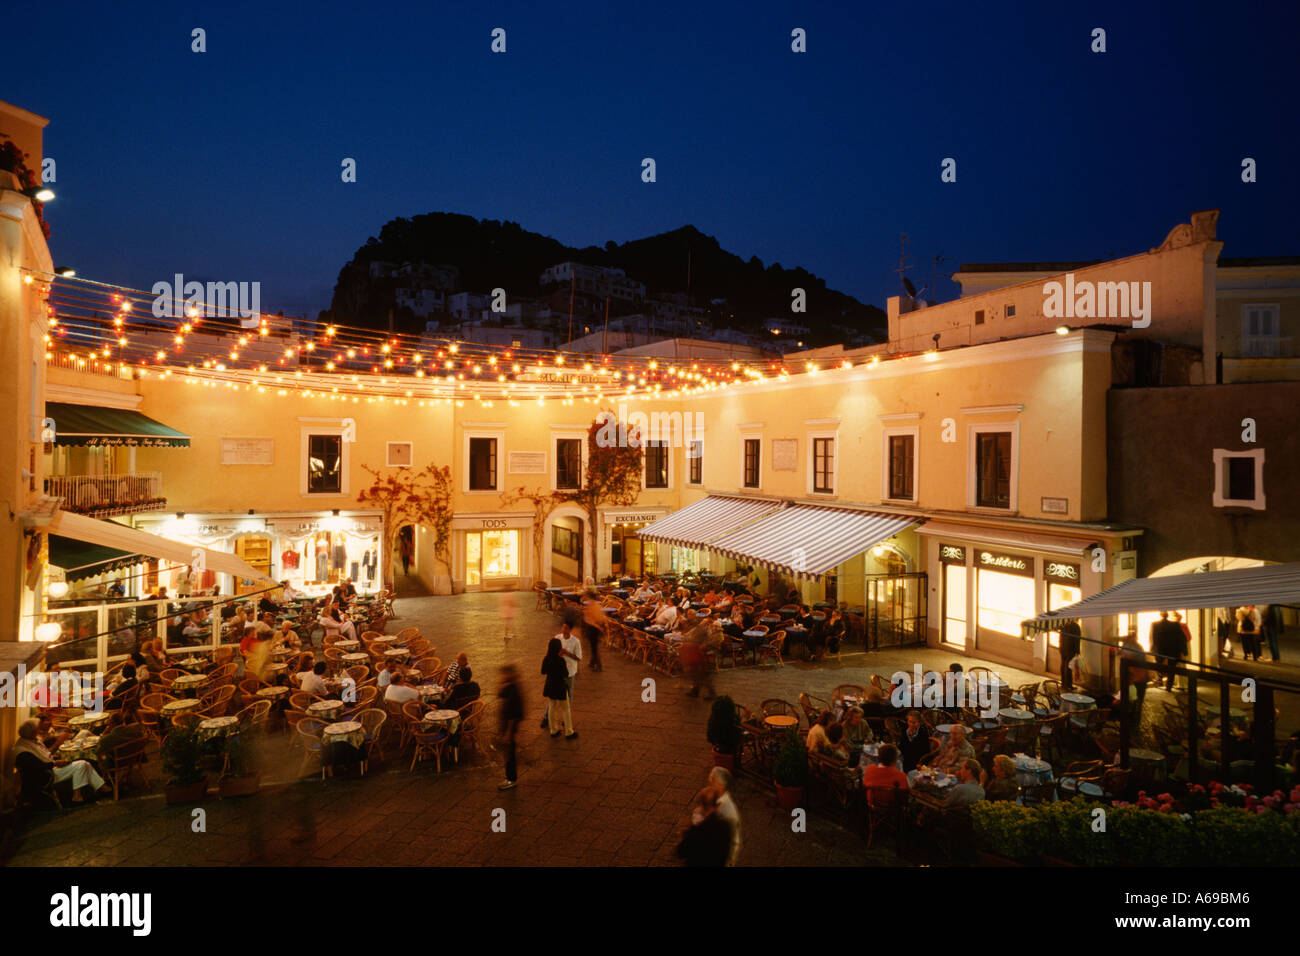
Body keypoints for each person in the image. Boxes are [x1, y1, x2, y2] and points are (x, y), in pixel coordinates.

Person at [14, 719, 106, 805]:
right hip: (45, 775)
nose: (38, 731)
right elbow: (36, 766)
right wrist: (55, 763)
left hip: (50, 767)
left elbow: (44, 756)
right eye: (36, 730)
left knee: (85, 764)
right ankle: (77, 796)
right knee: (81, 765)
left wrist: (54, 760)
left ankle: (101, 787)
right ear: (31, 732)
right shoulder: (22, 750)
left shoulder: (32, 741)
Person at [676, 786, 732, 866]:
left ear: (703, 805)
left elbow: (681, 852)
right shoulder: (726, 824)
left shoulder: (698, 830)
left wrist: (685, 834)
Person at [497, 664, 524, 790]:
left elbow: (513, 715)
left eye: (504, 674)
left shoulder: (514, 692)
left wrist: (508, 732)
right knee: (507, 753)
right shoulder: (510, 687)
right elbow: (500, 694)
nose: (502, 676)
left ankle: (511, 779)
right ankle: (509, 777)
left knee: (509, 754)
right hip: (505, 726)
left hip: (510, 728)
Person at [708, 766, 742, 865]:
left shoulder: (726, 809)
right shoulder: (717, 801)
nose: (709, 781)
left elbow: (734, 840)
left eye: (712, 779)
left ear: (721, 785)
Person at [541, 638, 574, 739]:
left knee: (552, 707)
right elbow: (566, 674)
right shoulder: (560, 660)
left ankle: (553, 730)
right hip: (560, 686)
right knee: (565, 708)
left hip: (550, 686)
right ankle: (569, 732)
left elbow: (543, 671)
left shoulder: (546, 659)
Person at [1150, 611, 1185, 691]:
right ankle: (1169, 686)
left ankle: (1159, 682)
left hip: (1160, 649)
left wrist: (1152, 649)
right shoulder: (1175, 625)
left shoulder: (1155, 625)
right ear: (1168, 615)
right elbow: (1181, 638)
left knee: (1158, 666)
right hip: (1173, 650)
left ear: (1160, 615)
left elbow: (1152, 638)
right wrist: (1183, 651)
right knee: (1172, 669)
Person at [580, 595, 605, 672]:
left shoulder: (592, 606)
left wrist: (597, 626)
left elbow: (592, 619)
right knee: (593, 646)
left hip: (593, 629)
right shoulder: (594, 605)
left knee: (594, 648)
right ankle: (592, 662)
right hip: (593, 628)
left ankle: (599, 666)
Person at [1058, 619, 1082, 691]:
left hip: (1063, 648)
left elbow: (1060, 637)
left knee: (1063, 665)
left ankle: (1063, 683)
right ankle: (1069, 685)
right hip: (1071, 649)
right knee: (1069, 667)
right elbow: (1077, 640)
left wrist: (1060, 646)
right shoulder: (1076, 626)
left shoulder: (1064, 624)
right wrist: (1077, 651)